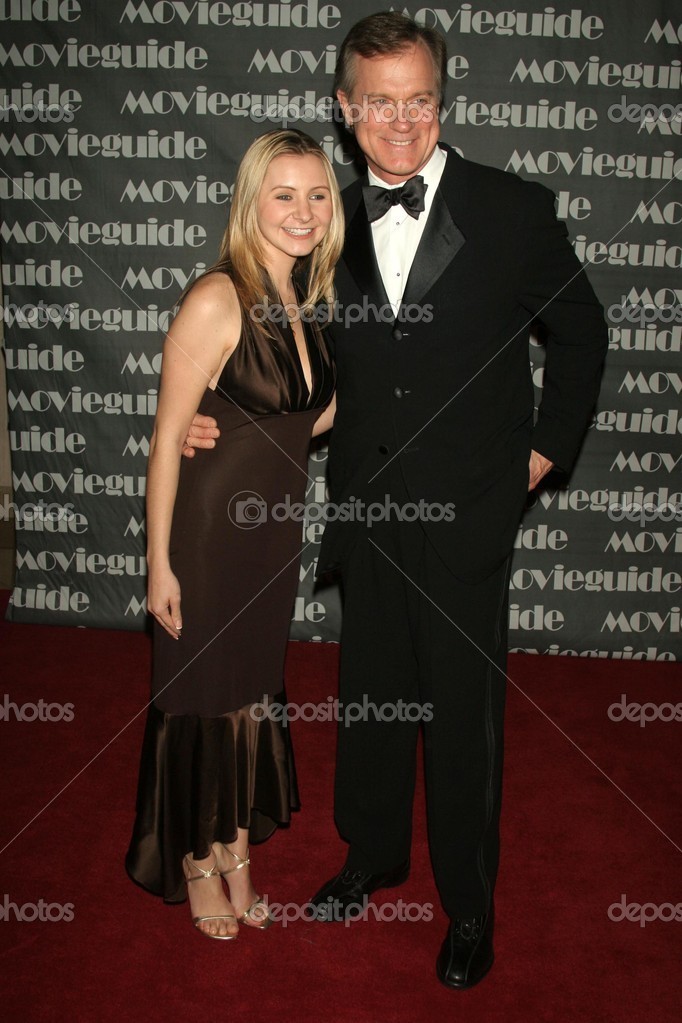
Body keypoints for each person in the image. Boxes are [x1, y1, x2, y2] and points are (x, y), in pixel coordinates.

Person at [185, 12, 608, 984]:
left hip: (470, 509)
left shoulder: (511, 209)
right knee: (370, 698)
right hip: (367, 509)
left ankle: (469, 906)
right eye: (380, 103)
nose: (401, 122)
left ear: (441, 101)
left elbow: (582, 331)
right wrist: (216, 422)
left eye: (419, 100)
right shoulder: (322, 222)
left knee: (462, 717)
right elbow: (280, 351)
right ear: (345, 108)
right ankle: (371, 856)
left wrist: (541, 457)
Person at [125, 129, 343, 940]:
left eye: (317, 194)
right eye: (283, 194)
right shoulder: (216, 298)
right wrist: (159, 563)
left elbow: (310, 416)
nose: (302, 211)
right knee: (203, 697)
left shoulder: (309, 301)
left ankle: (238, 848)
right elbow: (165, 439)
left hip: (273, 532)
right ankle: (197, 858)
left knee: (251, 692)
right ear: (251, 201)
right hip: (210, 532)